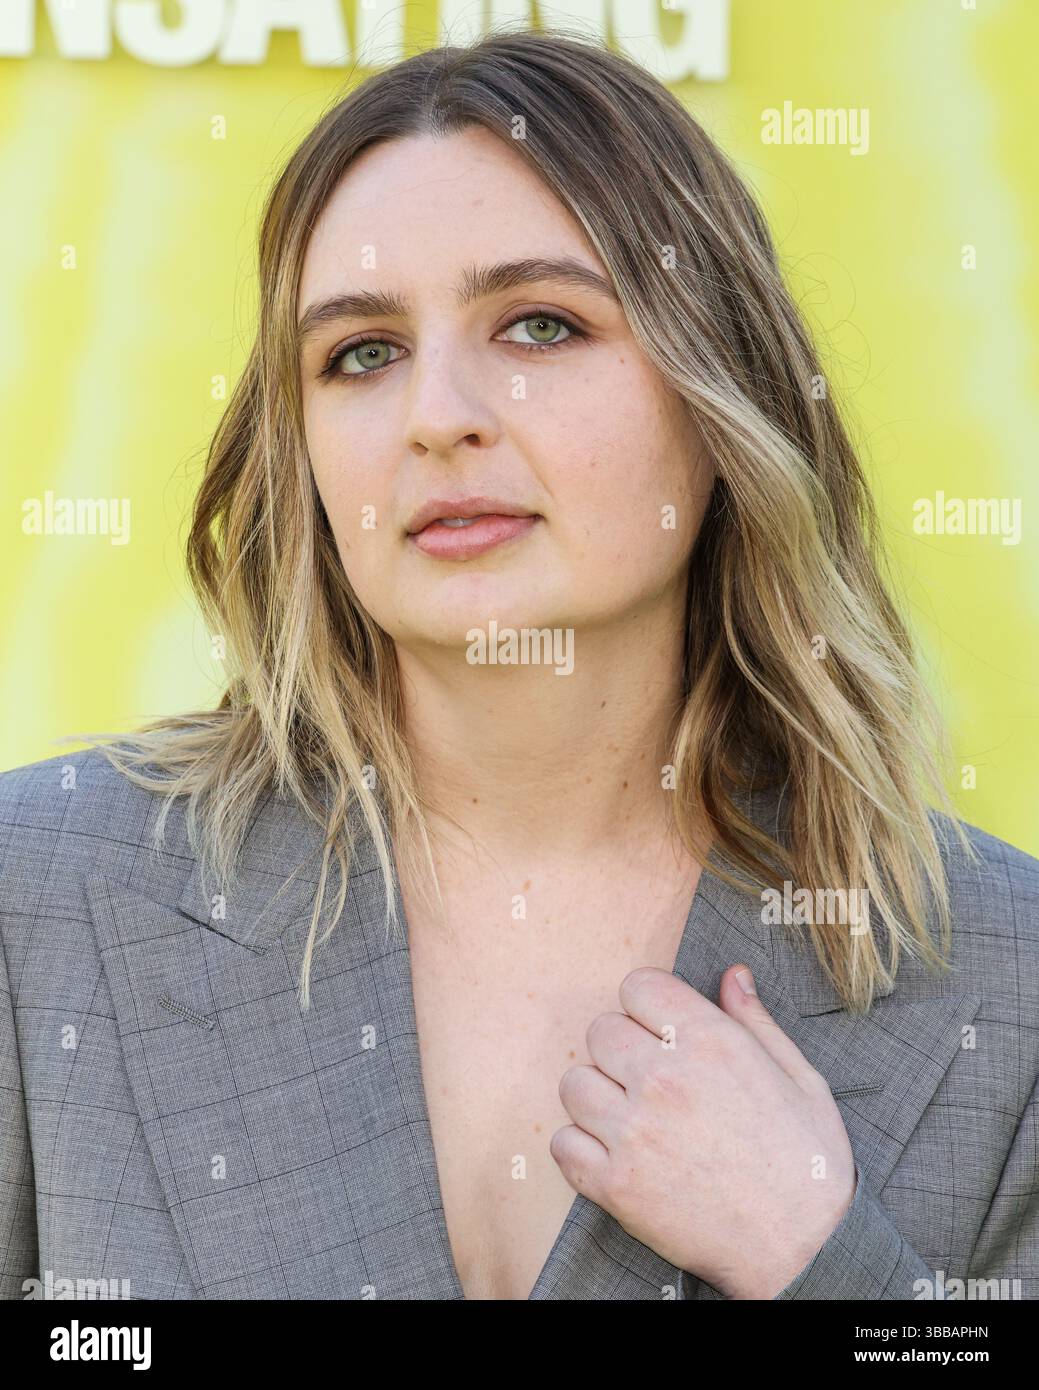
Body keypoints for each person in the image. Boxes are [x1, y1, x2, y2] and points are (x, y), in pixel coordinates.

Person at [1, 28, 1036, 1303]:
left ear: (723, 396)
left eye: (541, 325)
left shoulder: (1004, 976)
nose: (439, 414)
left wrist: (825, 1267)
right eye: (361, 353)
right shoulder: (38, 895)